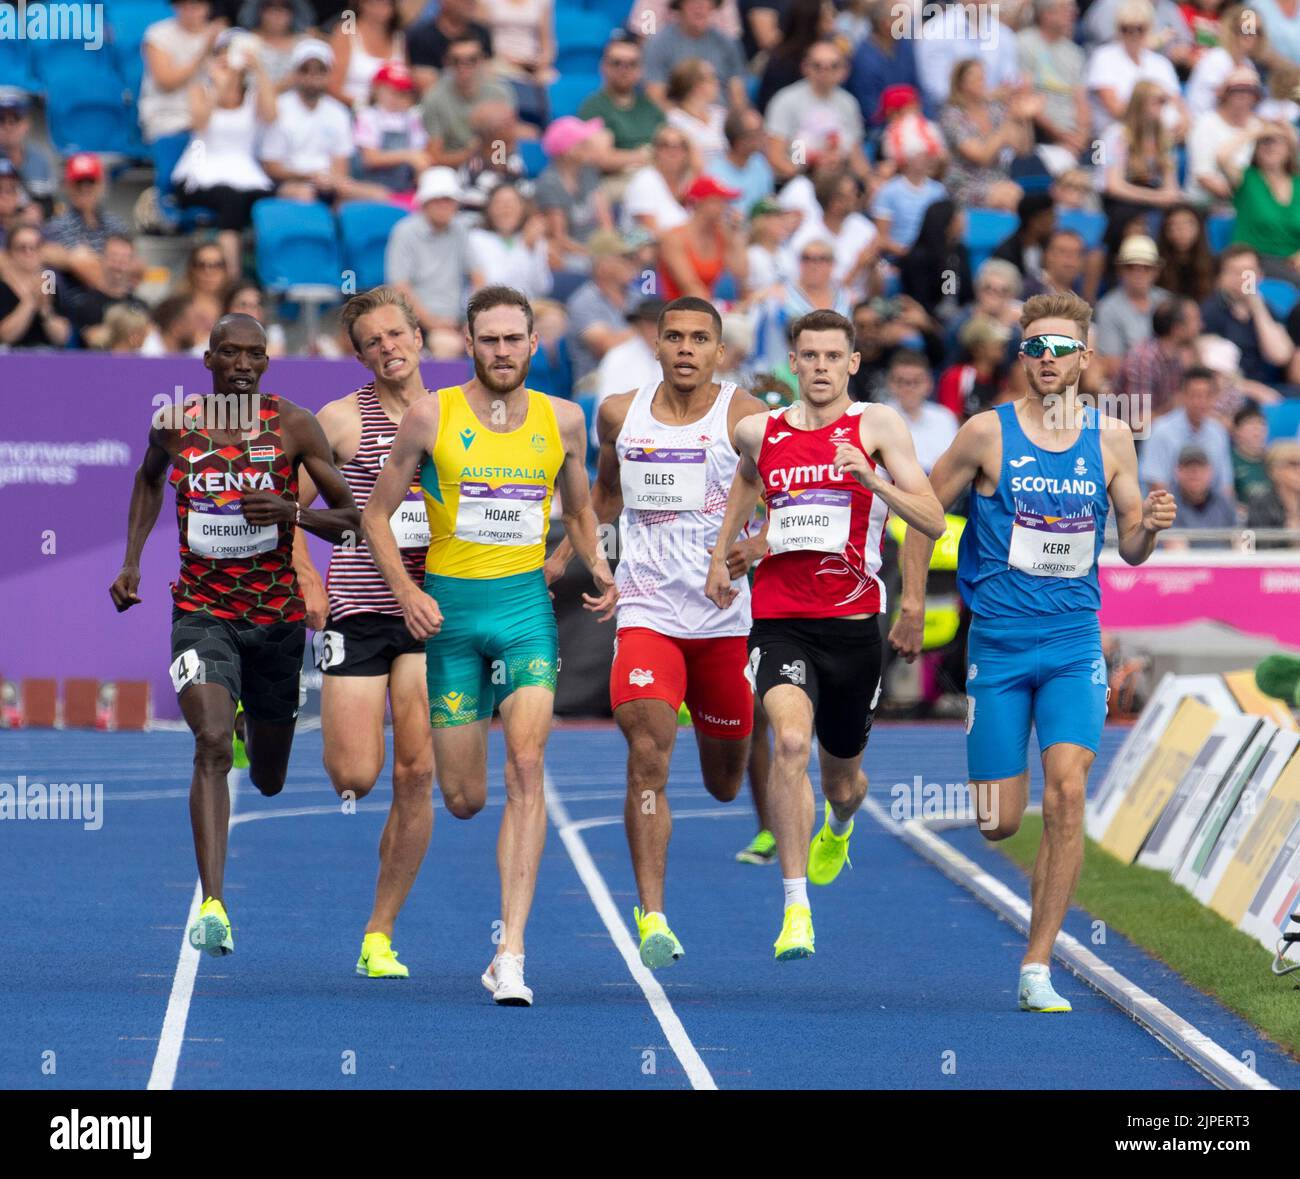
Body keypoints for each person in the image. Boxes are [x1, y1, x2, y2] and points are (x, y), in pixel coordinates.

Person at [891, 291, 1178, 1011]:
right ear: (1022, 357)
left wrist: (1151, 527)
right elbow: (924, 515)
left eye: (1060, 349)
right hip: (999, 648)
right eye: (1035, 348)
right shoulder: (985, 434)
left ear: (1086, 357)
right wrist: (916, 599)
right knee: (997, 821)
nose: (1047, 361)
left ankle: (1037, 964)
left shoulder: (1112, 438)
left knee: (1068, 791)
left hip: (1074, 642)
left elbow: (1135, 548)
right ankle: (1032, 936)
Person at [362, 285, 617, 1004]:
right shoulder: (428, 415)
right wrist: (408, 594)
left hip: (525, 612)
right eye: (490, 339)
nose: (503, 351)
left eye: (515, 339)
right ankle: (497, 940)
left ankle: (513, 949)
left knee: (527, 763)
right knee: (466, 796)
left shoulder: (565, 419)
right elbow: (378, 516)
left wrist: (594, 564)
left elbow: (579, 507)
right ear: (469, 344)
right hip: (449, 619)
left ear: (535, 344)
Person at [109, 313, 360, 959]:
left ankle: (256, 723)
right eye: (230, 352)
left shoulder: (295, 425)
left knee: (270, 778)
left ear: (267, 362)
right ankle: (214, 902)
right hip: (201, 613)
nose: (243, 364)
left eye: (254, 353)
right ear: (208, 358)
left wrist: (292, 511)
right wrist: (132, 559)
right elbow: (146, 478)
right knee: (211, 742)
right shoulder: (177, 423)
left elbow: (352, 522)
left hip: (275, 621)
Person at [705, 307, 944, 960]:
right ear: (793, 360)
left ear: (852, 363)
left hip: (852, 628)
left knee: (844, 780)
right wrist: (732, 547)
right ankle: (795, 907)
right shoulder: (759, 430)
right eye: (807, 356)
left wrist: (870, 476)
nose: (818, 368)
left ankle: (838, 825)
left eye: (831, 357)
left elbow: (932, 516)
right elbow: (748, 480)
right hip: (780, 623)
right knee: (787, 740)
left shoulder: (877, 426)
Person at [547, 296, 769, 967]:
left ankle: (734, 762)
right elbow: (604, 496)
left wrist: (753, 546)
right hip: (646, 611)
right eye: (674, 336)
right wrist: (571, 551)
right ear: (658, 345)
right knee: (648, 751)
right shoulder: (619, 411)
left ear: (719, 352)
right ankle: (653, 914)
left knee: (725, 780)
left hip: (725, 619)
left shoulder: (747, 416)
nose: (685, 348)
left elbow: (787, 501)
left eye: (700, 338)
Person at [289, 287, 435, 979]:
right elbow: (290, 510)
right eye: (373, 341)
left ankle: (381, 930)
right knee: (356, 775)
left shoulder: (458, 415)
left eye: (397, 334)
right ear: (359, 354)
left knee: (418, 772)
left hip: (436, 613)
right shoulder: (340, 421)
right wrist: (308, 579)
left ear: (420, 337)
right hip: (358, 607)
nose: (388, 347)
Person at [174, 30, 277, 274]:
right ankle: (232, 277)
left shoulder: (252, 96)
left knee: (263, 202)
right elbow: (200, 123)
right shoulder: (201, 89)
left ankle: (268, 277)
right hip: (201, 171)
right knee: (231, 200)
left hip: (245, 173)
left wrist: (258, 69)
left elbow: (272, 115)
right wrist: (219, 85)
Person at [260, 38, 388, 203]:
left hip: (328, 182)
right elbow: (272, 167)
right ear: (295, 73)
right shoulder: (279, 109)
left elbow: (341, 166)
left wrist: (332, 181)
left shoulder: (338, 112)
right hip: (288, 182)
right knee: (305, 195)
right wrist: (311, 175)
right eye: (305, 70)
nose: (312, 76)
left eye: (320, 70)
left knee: (380, 194)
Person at [385, 166, 482, 358]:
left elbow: (478, 277)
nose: (444, 206)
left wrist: (473, 319)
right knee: (448, 346)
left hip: (456, 320)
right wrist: (432, 322)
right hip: (415, 322)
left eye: (449, 200)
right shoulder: (405, 232)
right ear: (425, 203)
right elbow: (400, 288)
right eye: (438, 200)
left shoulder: (459, 230)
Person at [765, 38, 870, 184]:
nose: (825, 71)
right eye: (817, 65)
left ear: (844, 70)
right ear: (805, 67)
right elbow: (775, 155)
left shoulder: (848, 103)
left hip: (839, 179)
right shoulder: (786, 100)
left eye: (833, 66)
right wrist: (805, 171)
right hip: (799, 178)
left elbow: (855, 154)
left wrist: (871, 181)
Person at [939, 59, 1038, 212]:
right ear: (961, 84)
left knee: (1021, 196)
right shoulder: (952, 115)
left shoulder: (994, 110)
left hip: (998, 181)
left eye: (983, 77)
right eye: (977, 79)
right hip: (965, 185)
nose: (982, 82)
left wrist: (1024, 117)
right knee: (1011, 198)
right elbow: (982, 156)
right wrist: (1010, 119)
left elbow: (1024, 149)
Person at [1086, 0, 1189, 139]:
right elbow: (1116, 110)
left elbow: (1178, 104)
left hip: (1159, 137)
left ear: (1149, 29)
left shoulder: (1160, 63)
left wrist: (1184, 122)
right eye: (1126, 28)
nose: (1133, 34)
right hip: (1113, 136)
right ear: (1118, 28)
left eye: (1139, 28)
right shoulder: (1104, 57)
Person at [1200, 243, 1296, 384]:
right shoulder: (1209, 312)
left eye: (1248, 272)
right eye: (1234, 271)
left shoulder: (1266, 307)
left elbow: (1280, 356)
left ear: (1260, 275)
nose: (1242, 278)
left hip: (1270, 386)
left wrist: (1256, 305)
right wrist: (1251, 389)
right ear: (1221, 276)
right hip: (1230, 390)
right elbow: (1212, 370)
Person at [1218, 120, 1300, 282]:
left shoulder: (1298, 181)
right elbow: (1222, 157)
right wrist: (1255, 132)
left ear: (1289, 149)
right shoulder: (1247, 178)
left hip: (1291, 262)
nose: (1270, 147)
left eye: (1277, 141)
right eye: (1264, 142)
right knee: (1250, 289)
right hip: (1251, 263)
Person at [420, 34, 518, 168]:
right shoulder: (434, 98)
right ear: (446, 62)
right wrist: (471, 153)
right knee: (439, 179)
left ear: (482, 60)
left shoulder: (499, 93)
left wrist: (496, 163)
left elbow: (508, 140)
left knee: (512, 171)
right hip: (451, 167)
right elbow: (434, 156)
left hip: (495, 159)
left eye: (472, 59)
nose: (463, 66)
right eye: (456, 60)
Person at [1139, 365, 1236, 497]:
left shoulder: (1219, 433)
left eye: (1207, 395)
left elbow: (1225, 487)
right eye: (1195, 395)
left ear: (1214, 398)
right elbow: (1157, 486)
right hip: (1168, 509)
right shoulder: (1161, 430)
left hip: (1208, 511)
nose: (1201, 402)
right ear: (1182, 396)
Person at [576, 33, 666, 175]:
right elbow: (601, 159)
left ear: (641, 70)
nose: (624, 70)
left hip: (655, 177)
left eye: (632, 64)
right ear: (603, 66)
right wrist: (643, 155)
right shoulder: (593, 107)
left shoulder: (650, 107)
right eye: (617, 63)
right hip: (615, 181)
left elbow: (669, 147)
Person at [139, 0, 226, 145]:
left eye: (196, 6)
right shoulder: (158, 34)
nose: (190, 11)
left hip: (213, 115)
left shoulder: (221, 36)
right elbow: (166, 82)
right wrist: (204, 52)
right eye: (184, 6)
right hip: (169, 116)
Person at [533, 116, 613, 270]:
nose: (589, 145)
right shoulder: (549, 183)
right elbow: (560, 238)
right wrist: (594, 255)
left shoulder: (589, 170)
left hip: (599, 250)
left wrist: (610, 247)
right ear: (567, 151)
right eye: (583, 143)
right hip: (573, 255)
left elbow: (605, 219)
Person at [1018, 0, 1091, 166]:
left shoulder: (1075, 52)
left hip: (1074, 137)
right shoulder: (1024, 44)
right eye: (1065, 8)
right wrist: (1062, 136)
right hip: (1042, 135)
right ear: (1046, 14)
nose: (1073, 13)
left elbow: (1082, 102)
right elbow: (1026, 97)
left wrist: (1080, 136)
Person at [565, 230, 641, 388]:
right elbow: (606, 347)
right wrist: (647, 330)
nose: (635, 263)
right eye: (626, 258)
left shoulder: (637, 298)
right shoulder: (583, 301)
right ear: (603, 265)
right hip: (595, 382)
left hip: (635, 375)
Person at [644, 0, 750, 112]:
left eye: (707, 2)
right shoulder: (658, 43)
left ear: (713, 7)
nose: (700, 7)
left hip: (722, 117)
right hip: (678, 118)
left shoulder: (727, 42)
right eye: (693, 1)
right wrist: (687, 120)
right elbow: (656, 98)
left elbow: (738, 95)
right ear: (679, 6)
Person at [659, 175, 748, 302]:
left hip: (706, 308)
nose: (724, 208)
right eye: (719, 201)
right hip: (676, 311)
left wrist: (737, 234)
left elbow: (741, 273)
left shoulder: (721, 235)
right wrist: (719, 313)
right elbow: (690, 287)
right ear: (700, 203)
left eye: (725, 202)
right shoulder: (674, 238)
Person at [1111, 296, 1200, 424]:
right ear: (1178, 329)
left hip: (1160, 430)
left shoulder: (1177, 357)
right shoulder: (1144, 360)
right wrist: (1176, 406)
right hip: (1126, 438)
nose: (1201, 325)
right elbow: (1139, 423)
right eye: (1195, 320)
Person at [1094, 234, 1172, 378]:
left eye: (1146, 267)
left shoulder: (1167, 300)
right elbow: (1111, 364)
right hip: (1131, 384)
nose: (1138, 273)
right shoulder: (1108, 308)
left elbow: (1183, 349)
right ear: (1121, 270)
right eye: (1131, 267)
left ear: (1156, 270)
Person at [1186, 66, 1262, 209]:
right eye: (1237, 90)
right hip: (1208, 207)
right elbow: (1204, 177)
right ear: (1225, 93)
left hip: (1249, 206)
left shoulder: (1259, 125)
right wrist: (1247, 200)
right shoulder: (1205, 124)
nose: (1244, 95)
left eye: (1250, 90)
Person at [354, 60, 430, 195]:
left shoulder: (412, 118)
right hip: (371, 187)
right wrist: (407, 156)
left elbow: (421, 157)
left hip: (404, 187)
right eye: (392, 91)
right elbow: (370, 159)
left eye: (402, 93)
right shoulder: (368, 116)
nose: (396, 97)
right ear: (377, 89)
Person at [468, 183, 551, 299]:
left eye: (512, 203)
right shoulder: (476, 239)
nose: (506, 209)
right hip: (492, 308)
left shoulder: (532, 239)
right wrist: (524, 247)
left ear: (522, 208)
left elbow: (542, 287)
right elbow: (494, 286)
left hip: (528, 307)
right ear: (489, 209)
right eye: (499, 203)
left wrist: (534, 251)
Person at [883, 349, 958, 472]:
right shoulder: (877, 416)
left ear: (929, 384)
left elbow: (952, 465)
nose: (909, 388)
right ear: (890, 384)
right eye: (901, 381)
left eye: (916, 382)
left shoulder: (945, 417)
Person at [899, 199, 972, 323]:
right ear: (946, 223)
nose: (964, 222)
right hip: (928, 315)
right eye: (959, 218)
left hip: (960, 314)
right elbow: (920, 298)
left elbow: (968, 293)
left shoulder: (960, 251)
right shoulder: (918, 257)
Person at [0, 225, 72, 348]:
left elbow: (62, 338)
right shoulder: (2, 288)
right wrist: (30, 301)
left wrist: (45, 310)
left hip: (46, 357)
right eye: (22, 248)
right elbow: (5, 336)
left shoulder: (50, 286)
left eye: (35, 247)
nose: (29, 252)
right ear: (10, 252)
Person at [328, 0, 406, 108]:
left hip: (392, 114)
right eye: (375, 3)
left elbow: (406, 83)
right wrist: (363, 106)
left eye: (387, 3)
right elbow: (332, 86)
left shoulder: (399, 38)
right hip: (349, 110)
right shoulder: (346, 33)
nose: (381, 8)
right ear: (361, 4)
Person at [406, 0, 493, 94]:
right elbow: (428, 90)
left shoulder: (482, 32)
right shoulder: (420, 36)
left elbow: (487, 78)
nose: (470, 1)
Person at [620, 127, 694, 238]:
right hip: (650, 249)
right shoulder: (644, 181)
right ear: (655, 150)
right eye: (665, 145)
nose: (673, 151)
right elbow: (651, 232)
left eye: (681, 145)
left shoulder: (689, 182)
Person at [594, 297, 665, 405]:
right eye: (650, 324)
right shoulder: (618, 356)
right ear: (639, 326)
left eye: (660, 324)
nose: (655, 330)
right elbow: (608, 406)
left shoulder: (681, 356)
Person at [712, 109, 777, 215]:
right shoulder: (714, 174)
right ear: (740, 141)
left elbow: (767, 204)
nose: (763, 136)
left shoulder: (760, 163)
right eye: (757, 133)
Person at [0, 88, 57, 205]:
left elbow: (49, 203)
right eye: (1, 119)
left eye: (16, 118)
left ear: (27, 123)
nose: (8, 126)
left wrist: (41, 212)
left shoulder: (40, 160)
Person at [666, 58, 728, 161]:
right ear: (696, 86)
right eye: (712, 78)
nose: (717, 83)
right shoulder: (674, 120)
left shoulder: (721, 114)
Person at [1170, 443, 1240, 532]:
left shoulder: (1224, 503)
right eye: (1188, 467)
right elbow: (1172, 543)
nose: (1195, 473)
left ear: (1210, 472)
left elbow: (1241, 537)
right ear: (1177, 472)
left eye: (1200, 467)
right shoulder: (1169, 507)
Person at [1156, 203, 1216, 300]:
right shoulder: (1157, 265)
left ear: (1199, 228)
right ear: (1165, 231)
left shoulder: (1214, 264)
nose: (1181, 230)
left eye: (1188, 224)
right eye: (1174, 225)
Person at [1246, 439, 1300, 540]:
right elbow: (1256, 545)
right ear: (1274, 470)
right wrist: (1288, 538)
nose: (1298, 471)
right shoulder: (1260, 503)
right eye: (1293, 464)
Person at [1231, 401, 1274, 502]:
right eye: (1250, 423)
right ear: (1236, 431)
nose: (1257, 429)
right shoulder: (1228, 460)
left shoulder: (1273, 459)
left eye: (1261, 424)